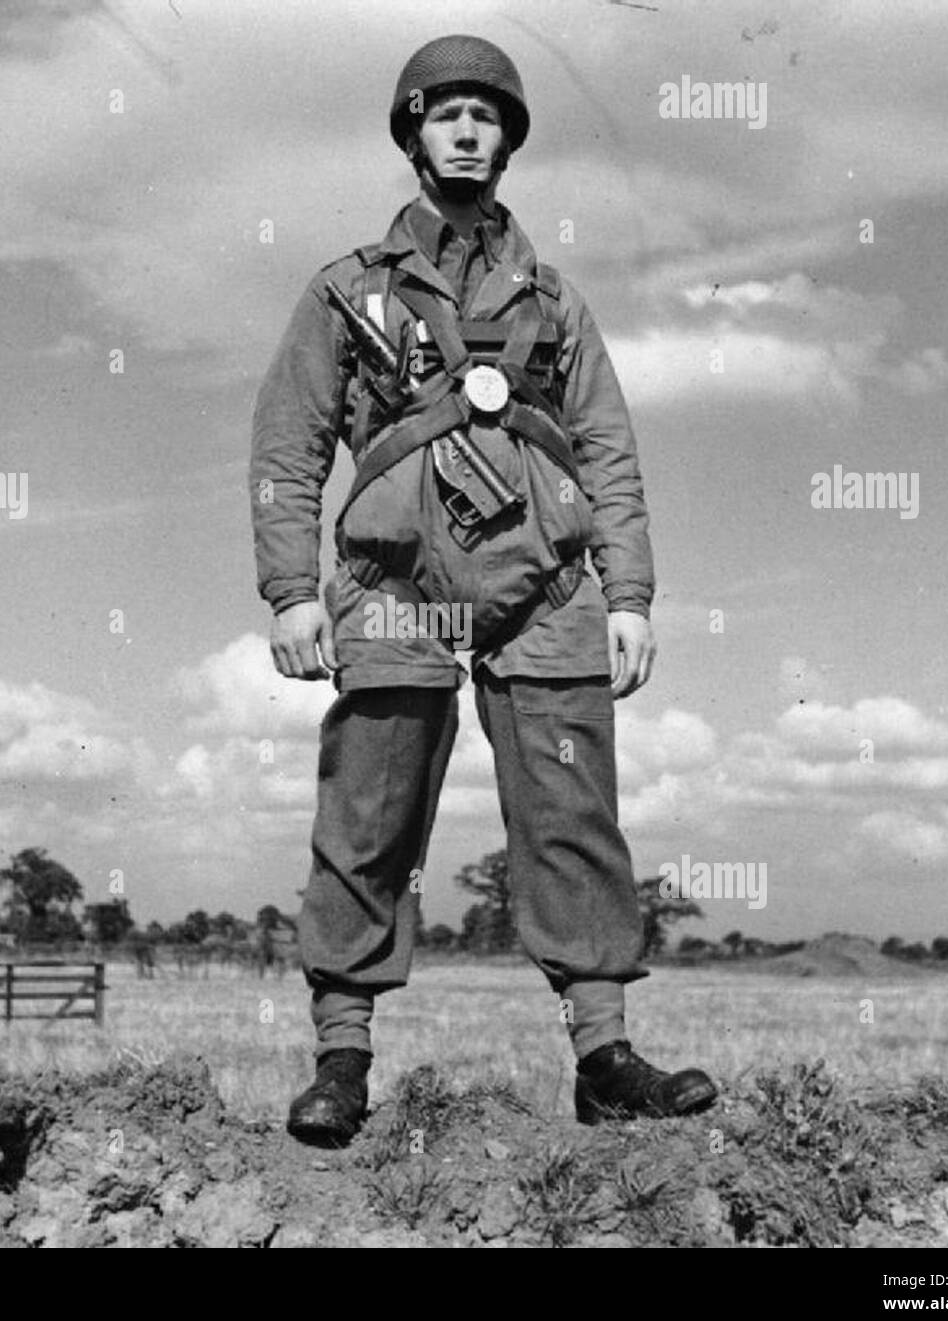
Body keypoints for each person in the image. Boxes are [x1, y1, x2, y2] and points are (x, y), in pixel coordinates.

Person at [250, 34, 717, 1145]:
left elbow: (607, 451)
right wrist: (289, 592)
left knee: (572, 816)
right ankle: (342, 1060)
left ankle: (605, 1058)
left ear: (509, 139)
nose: (466, 130)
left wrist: (631, 596)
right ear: (412, 133)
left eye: (486, 115)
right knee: (368, 815)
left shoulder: (554, 303)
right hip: (391, 585)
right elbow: (288, 445)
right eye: (444, 113)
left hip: (547, 588)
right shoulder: (346, 291)